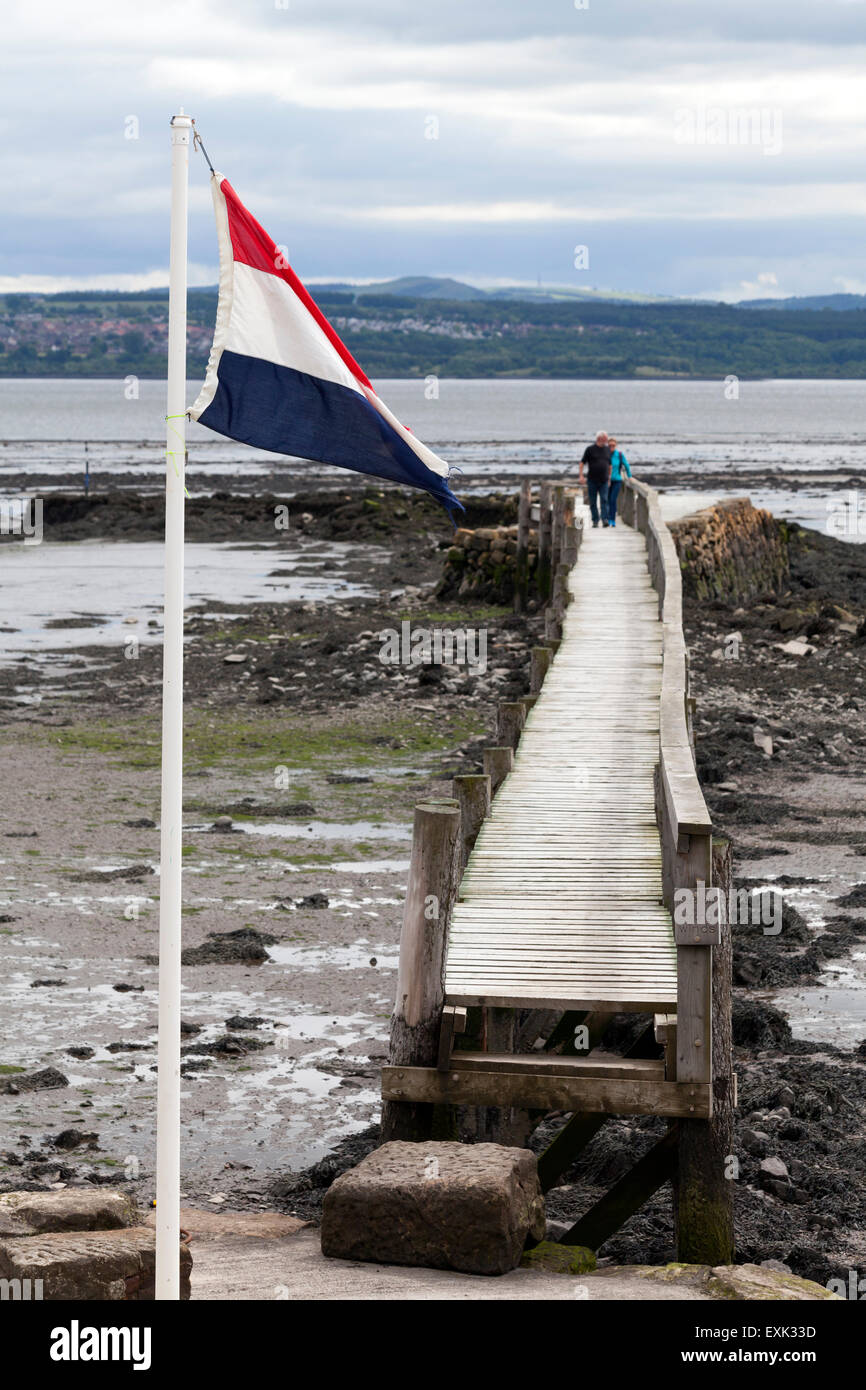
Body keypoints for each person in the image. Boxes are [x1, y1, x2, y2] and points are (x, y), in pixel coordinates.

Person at [578, 430, 611, 528]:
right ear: (600, 438)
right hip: (592, 480)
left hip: (604, 480)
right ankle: (595, 520)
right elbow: (582, 463)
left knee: (604, 500)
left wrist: (609, 478)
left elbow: (609, 465)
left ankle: (605, 519)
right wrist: (581, 476)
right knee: (593, 501)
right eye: (605, 438)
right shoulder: (590, 449)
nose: (607, 440)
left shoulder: (607, 449)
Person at [607, 437, 632, 527]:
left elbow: (626, 465)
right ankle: (607, 518)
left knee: (613, 500)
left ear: (616, 445)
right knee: (607, 500)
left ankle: (612, 520)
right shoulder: (605, 454)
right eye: (610, 445)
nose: (611, 447)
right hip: (606, 481)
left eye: (613, 445)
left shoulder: (620, 455)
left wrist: (629, 476)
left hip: (617, 480)